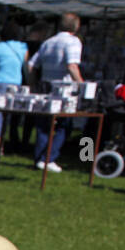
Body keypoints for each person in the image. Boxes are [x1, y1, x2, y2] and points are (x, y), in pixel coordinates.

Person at [29, 12, 84, 172]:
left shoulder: (48, 42)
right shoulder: (73, 42)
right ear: (76, 26)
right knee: (63, 125)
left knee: (44, 125)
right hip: (63, 89)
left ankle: (39, 157)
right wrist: (81, 85)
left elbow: (31, 64)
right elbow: (72, 66)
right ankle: (49, 158)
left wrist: (33, 84)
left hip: (46, 86)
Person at [0, 22, 28, 154]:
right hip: (16, 83)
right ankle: (10, 141)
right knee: (10, 115)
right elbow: (26, 68)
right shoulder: (23, 47)